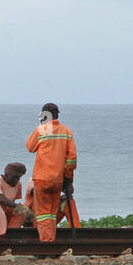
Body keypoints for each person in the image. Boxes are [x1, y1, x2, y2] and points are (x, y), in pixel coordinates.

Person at [24, 103, 77, 242]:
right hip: (58, 180)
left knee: (42, 213)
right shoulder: (66, 131)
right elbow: (71, 159)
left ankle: (47, 241)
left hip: (42, 178)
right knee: (52, 213)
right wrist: (68, 178)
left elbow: (30, 147)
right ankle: (51, 238)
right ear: (58, 114)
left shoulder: (42, 130)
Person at [0, 162, 33, 229]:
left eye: (19, 177)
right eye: (14, 177)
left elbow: (12, 201)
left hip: (6, 212)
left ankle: (13, 230)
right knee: (21, 208)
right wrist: (18, 207)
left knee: (24, 211)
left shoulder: (18, 184)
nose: (17, 180)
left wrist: (26, 211)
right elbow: (0, 198)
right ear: (6, 175)